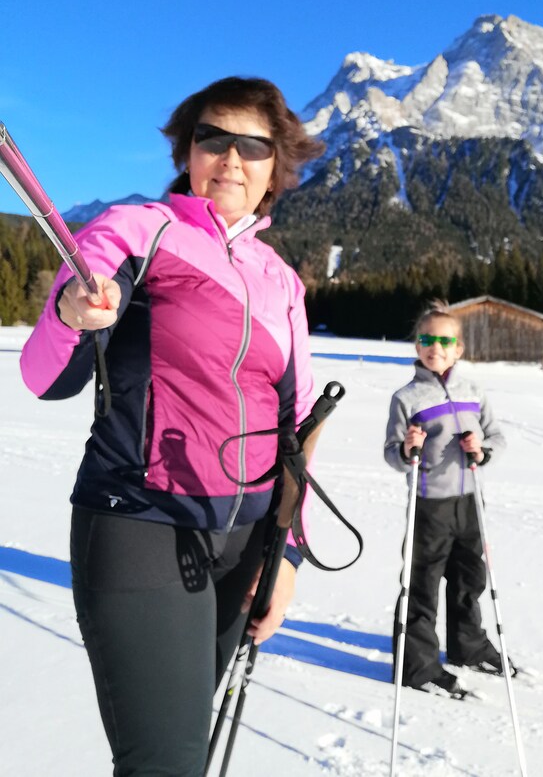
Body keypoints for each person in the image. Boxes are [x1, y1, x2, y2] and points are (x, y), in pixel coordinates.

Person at [20, 76, 325, 775]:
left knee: (183, 741)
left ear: (275, 168)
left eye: (254, 145)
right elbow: (43, 375)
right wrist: (74, 312)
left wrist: (290, 552)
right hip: (140, 522)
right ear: (188, 152)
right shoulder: (137, 230)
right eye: (213, 138)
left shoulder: (282, 280)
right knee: (167, 761)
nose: (231, 157)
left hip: (244, 542)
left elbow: (299, 424)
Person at [384, 301, 510, 699]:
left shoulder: (473, 392)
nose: (434, 347)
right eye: (426, 339)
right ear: (417, 346)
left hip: (470, 502)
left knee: (469, 579)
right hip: (430, 507)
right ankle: (417, 664)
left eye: (444, 340)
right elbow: (391, 454)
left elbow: (497, 438)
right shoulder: (407, 397)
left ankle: (467, 645)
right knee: (421, 584)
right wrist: (408, 449)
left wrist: (481, 449)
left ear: (458, 348)